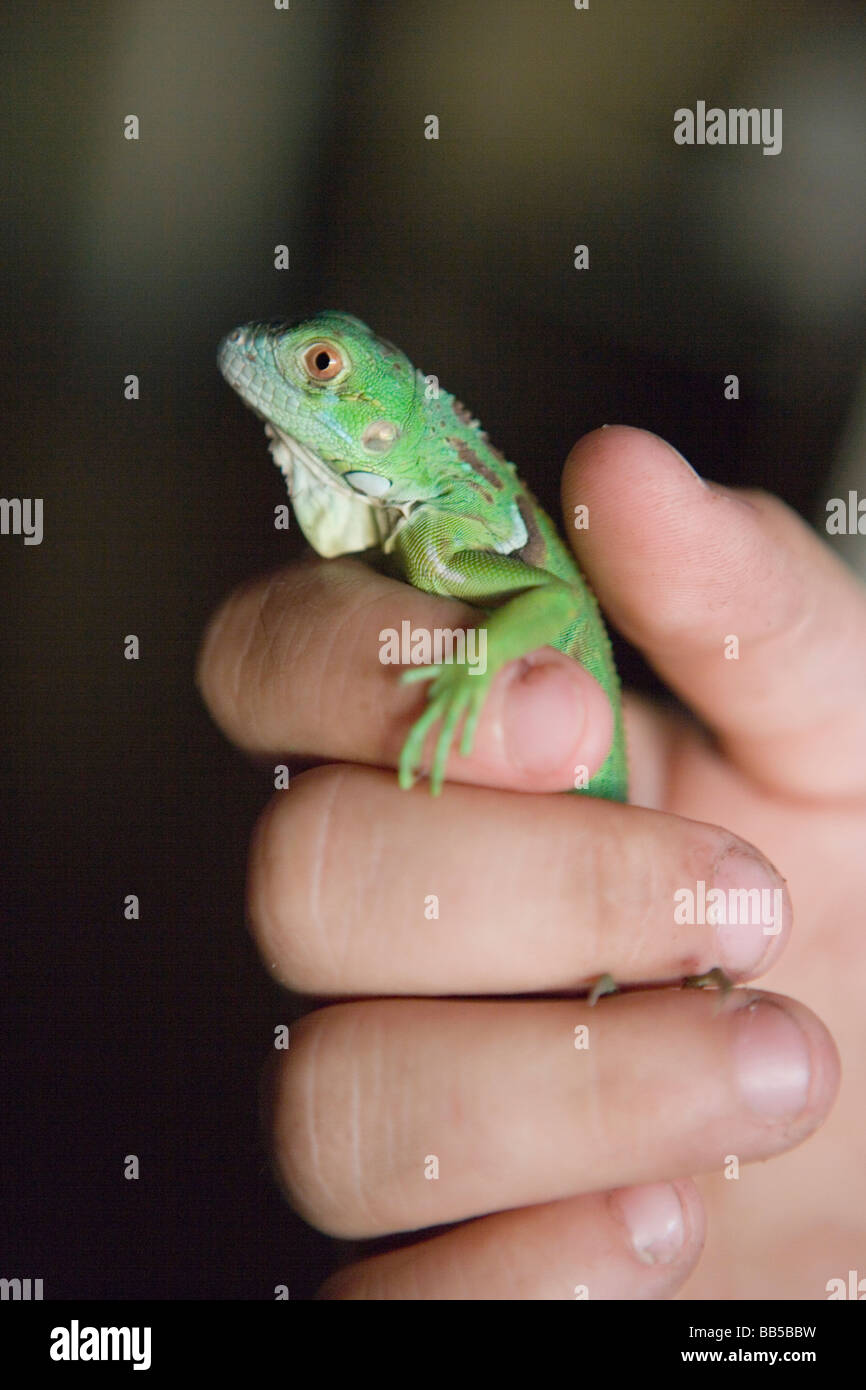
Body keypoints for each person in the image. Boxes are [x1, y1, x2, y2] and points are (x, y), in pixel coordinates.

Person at [197, 425, 863, 1300]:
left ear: (384, 427)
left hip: (614, 848)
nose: (286, 379)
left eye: (321, 369)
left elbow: (547, 607)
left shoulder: (441, 538)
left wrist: (476, 674)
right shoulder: (427, 535)